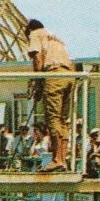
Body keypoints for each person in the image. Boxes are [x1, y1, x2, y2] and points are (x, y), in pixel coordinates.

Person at [25, 19, 75, 173]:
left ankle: (57, 159)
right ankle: (62, 159)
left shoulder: (35, 34)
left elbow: (38, 59)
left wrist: (38, 84)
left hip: (54, 75)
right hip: (69, 75)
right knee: (62, 120)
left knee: (53, 118)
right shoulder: (54, 37)